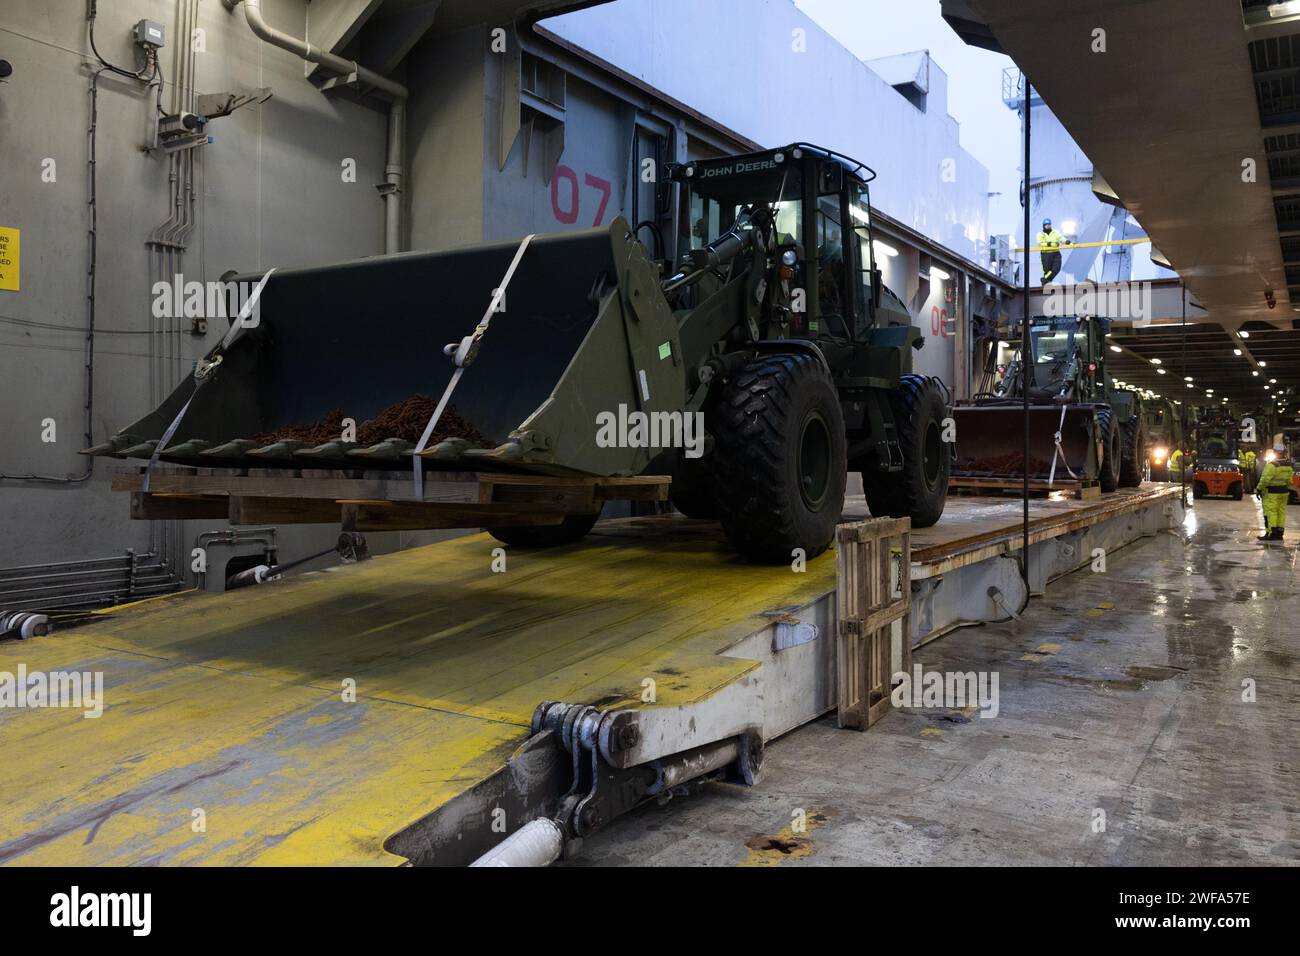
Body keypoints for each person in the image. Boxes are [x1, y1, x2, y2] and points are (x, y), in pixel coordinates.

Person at [1255, 441, 1294, 542]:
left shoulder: (1272, 465)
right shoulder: (1288, 466)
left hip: (1272, 493)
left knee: (1271, 512)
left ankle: (1271, 534)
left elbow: (1265, 479)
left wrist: (1259, 489)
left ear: (1275, 452)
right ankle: (1279, 534)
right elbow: (1290, 481)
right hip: (1284, 492)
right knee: (1281, 512)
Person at [1036, 217, 1069, 283]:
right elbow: (1040, 243)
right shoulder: (1040, 234)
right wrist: (1050, 244)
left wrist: (1066, 241)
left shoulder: (1055, 232)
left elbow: (1060, 238)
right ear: (1044, 226)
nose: (1048, 226)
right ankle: (1046, 284)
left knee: (1056, 268)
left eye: (1049, 225)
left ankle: (1045, 279)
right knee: (1047, 271)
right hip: (1046, 254)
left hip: (1055, 253)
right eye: (1046, 225)